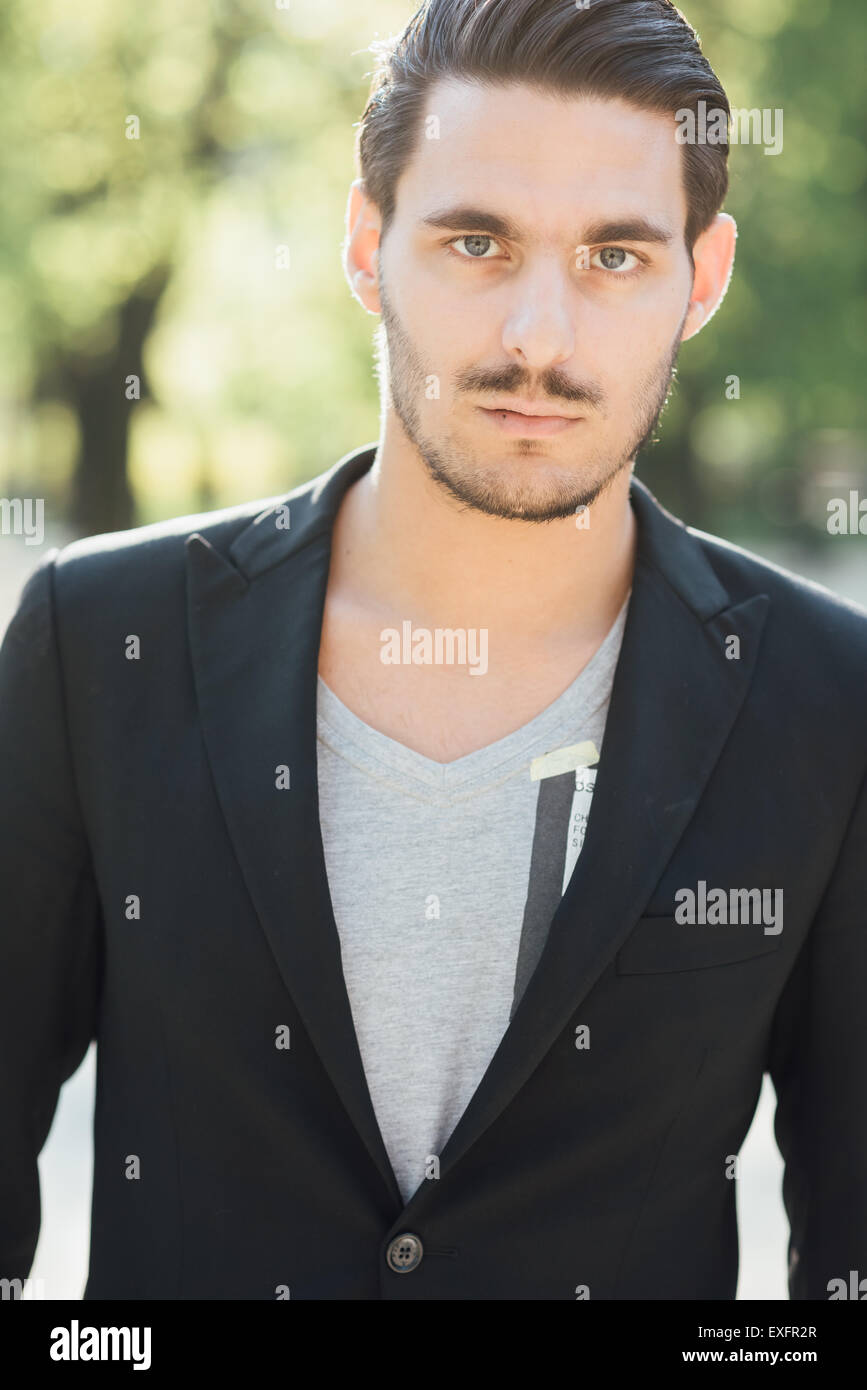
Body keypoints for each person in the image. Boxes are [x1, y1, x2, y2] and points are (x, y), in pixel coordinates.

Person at [1, 0, 864, 1301]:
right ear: (367, 242)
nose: (538, 336)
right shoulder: (97, 643)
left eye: (616, 257)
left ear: (704, 275)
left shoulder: (828, 700)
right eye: (478, 240)